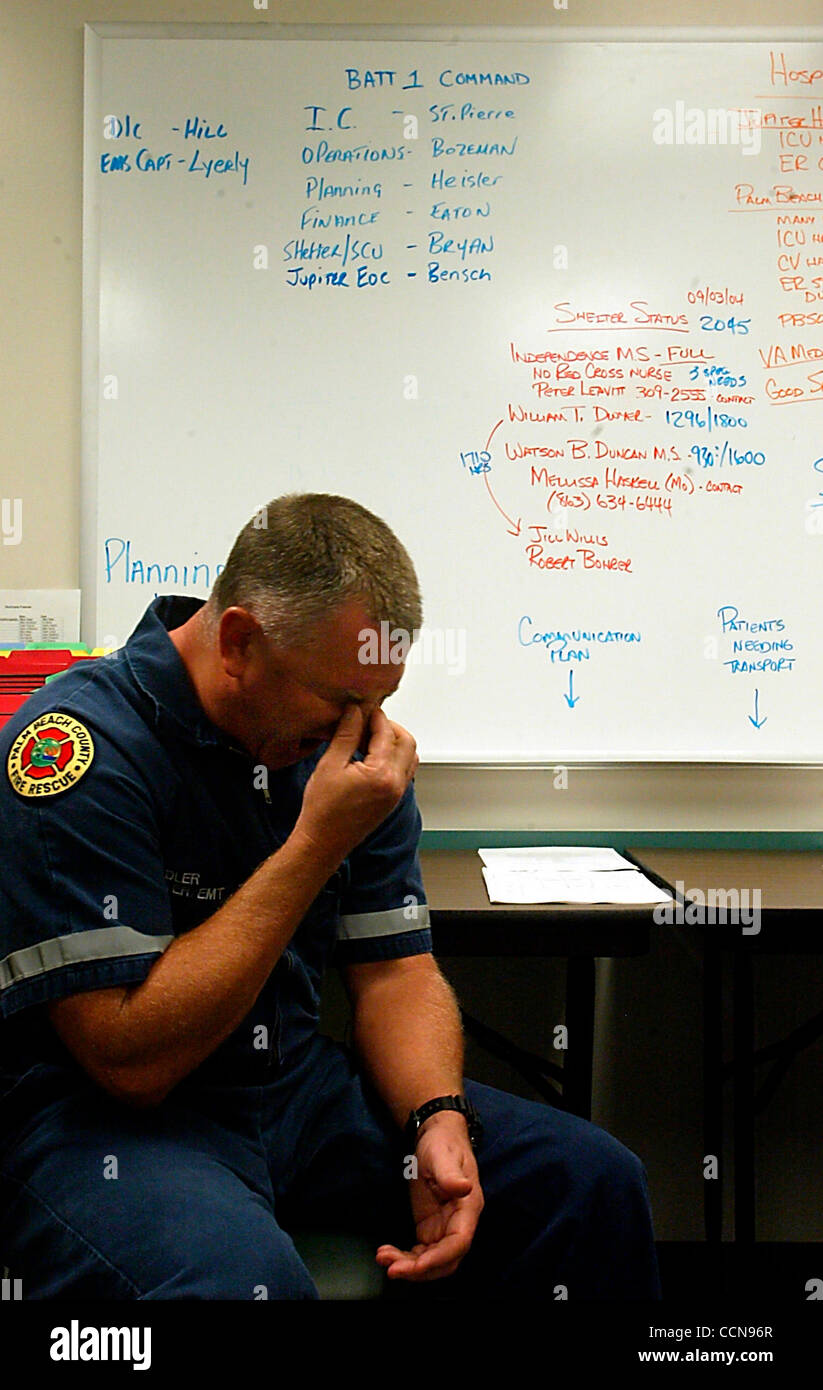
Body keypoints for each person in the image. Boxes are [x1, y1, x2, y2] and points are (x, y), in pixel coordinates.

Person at [0, 493, 660, 1299]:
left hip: (294, 1092)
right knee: (243, 1283)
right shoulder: (78, 747)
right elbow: (130, 1061)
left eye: (380, 700)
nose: (366, 730)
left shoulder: (341, 746)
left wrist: (434, 1119)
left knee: (590, 1181)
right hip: (112, 1122)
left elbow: (394, 971)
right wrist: (314, 844)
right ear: (239, 641)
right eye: (342, 702)